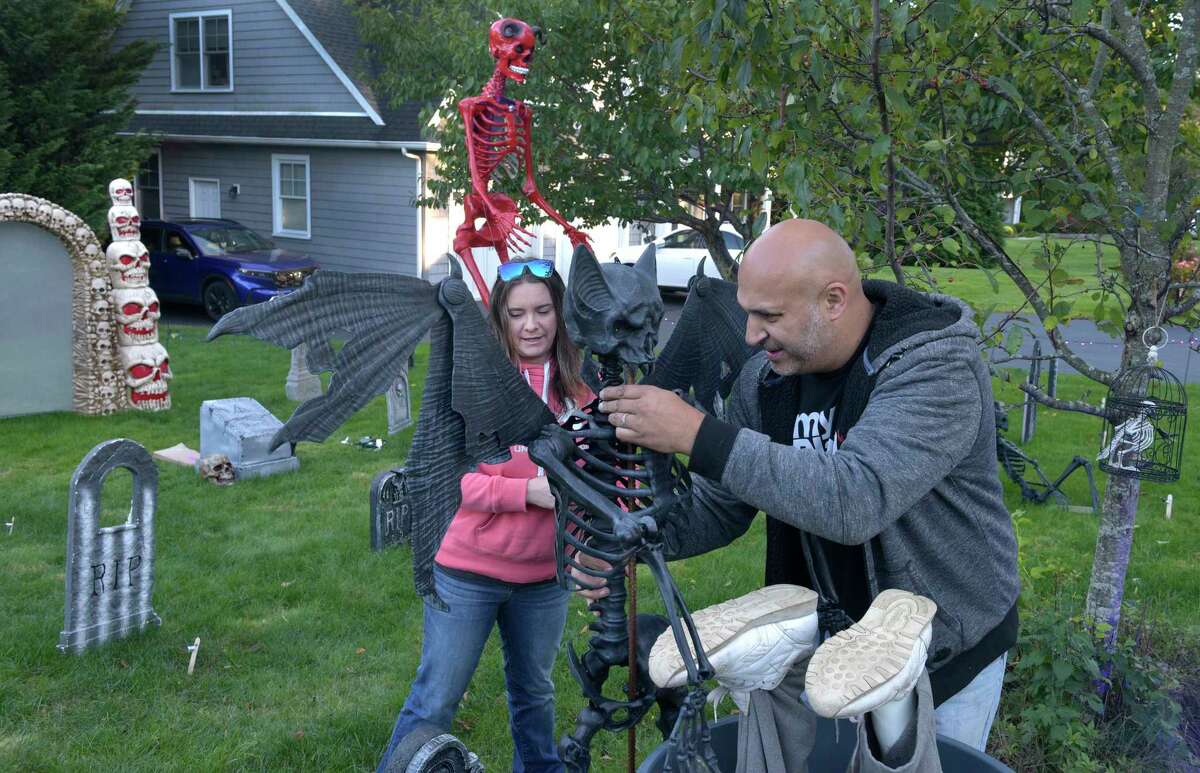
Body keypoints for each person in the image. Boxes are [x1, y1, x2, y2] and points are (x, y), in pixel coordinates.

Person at [590, 218, 1019, 754]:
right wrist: (630, 537)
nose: (750, 335)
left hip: (943, 649)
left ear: (834, 300)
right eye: (748, 311)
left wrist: (697, 435)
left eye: (769, 316)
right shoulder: (766, 380)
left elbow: (857, 498)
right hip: (826, 647)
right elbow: (720, 508)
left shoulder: (932, 365)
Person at [378, 258, 593, 773]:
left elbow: (595, 481)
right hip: (467, 572)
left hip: (546, 578)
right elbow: (449, 477)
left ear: (560, 315)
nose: (532, 325)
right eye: (517, 313)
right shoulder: (468, 388)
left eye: (543, 310)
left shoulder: (583, 396)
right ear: (500, 319)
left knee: (534, 694)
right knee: (436, 699)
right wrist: (527, 493)